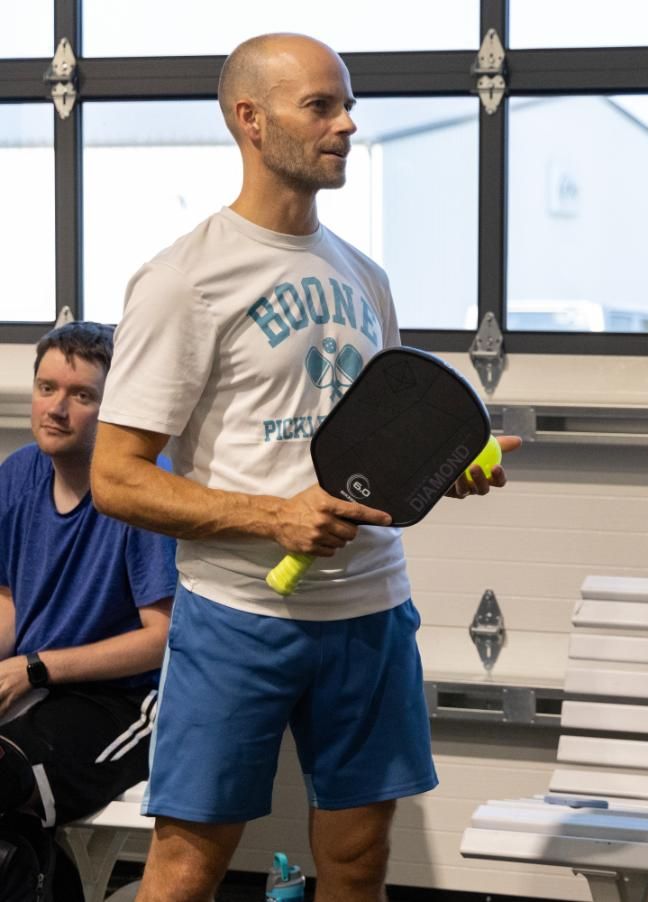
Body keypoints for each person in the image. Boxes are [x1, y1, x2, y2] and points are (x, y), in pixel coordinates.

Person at [89, 34, 516, 901]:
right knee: (186, 866)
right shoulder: (183, 280)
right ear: (251, 119)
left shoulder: (365, 276)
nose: (347, 124)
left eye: (347, 105)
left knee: (358, 862)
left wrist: (442, 471)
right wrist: (273, 517)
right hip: (238, 617)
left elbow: (379, 451)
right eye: (320, 105)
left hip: (371, 610)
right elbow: (116, 476)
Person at [0, 321, 174, 830]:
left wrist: (35, 668)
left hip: (121, 697)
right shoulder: (18, 473)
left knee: (8, 781)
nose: (56, 408)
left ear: (115, 406)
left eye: (81, 395)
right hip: (34, 678)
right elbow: (9, 597)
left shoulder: (145, 490)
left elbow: (162, 638)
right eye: (46, 388)